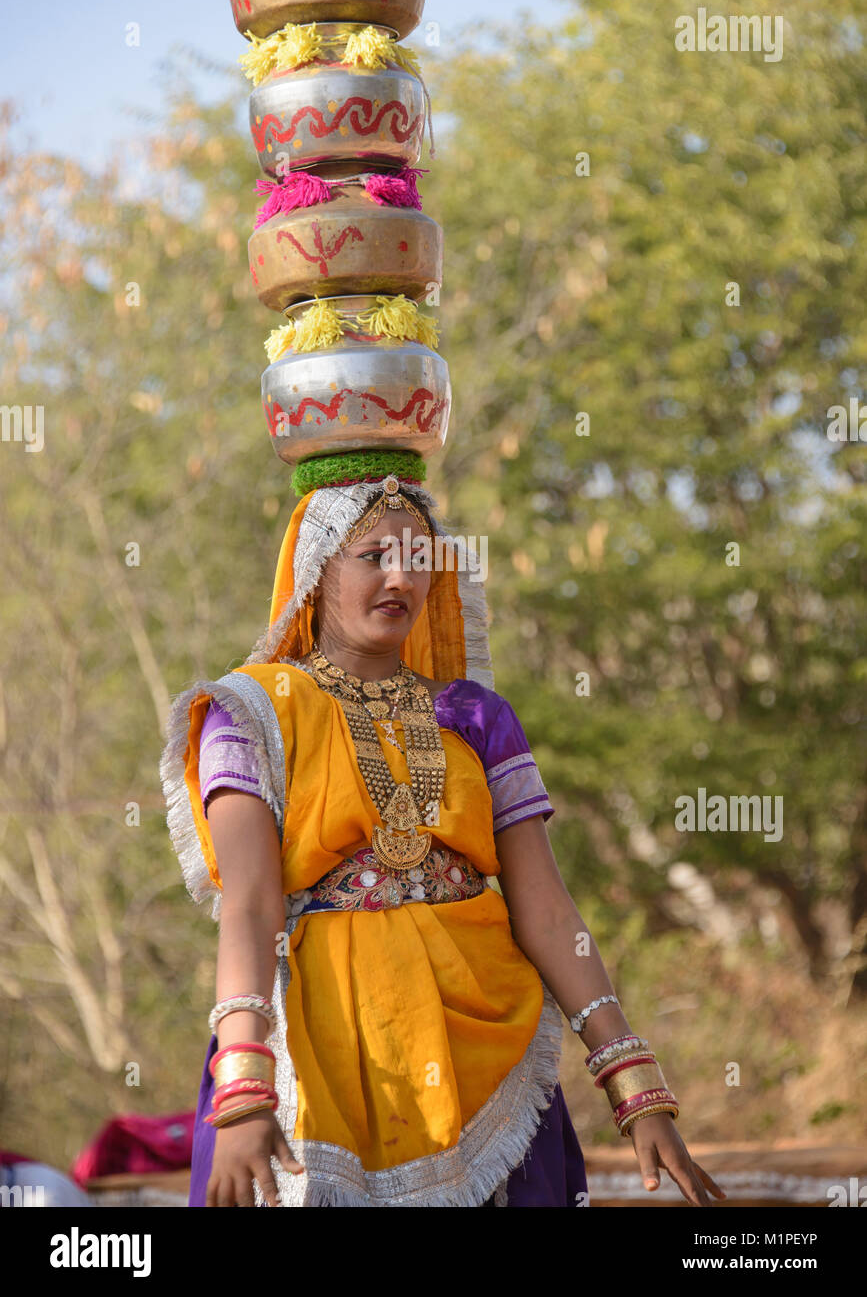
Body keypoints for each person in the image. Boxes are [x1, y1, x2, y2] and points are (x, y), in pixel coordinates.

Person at [160, 452, 725, 1207]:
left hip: (488, 1049)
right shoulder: (250, 712)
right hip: (321, 1050)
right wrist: (244, 1089)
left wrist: (632, 1080)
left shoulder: (476, 716)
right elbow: (252, 904)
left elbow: (547, 912)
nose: (400, 579)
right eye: (374, 557)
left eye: (417, 560)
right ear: (317, 568)